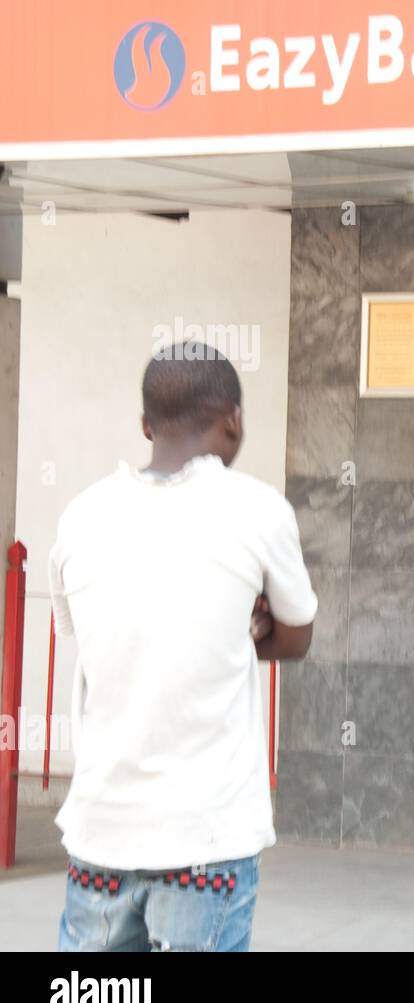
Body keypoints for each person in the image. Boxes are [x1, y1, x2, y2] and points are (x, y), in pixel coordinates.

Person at [51, 343, 317, 952]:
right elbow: (297, 635)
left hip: (99, 837)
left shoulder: (81, 516)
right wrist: (245, 626)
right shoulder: (257, 511)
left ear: (146, 425)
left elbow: (91, 637)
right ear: (234, 419)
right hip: (206, 843)